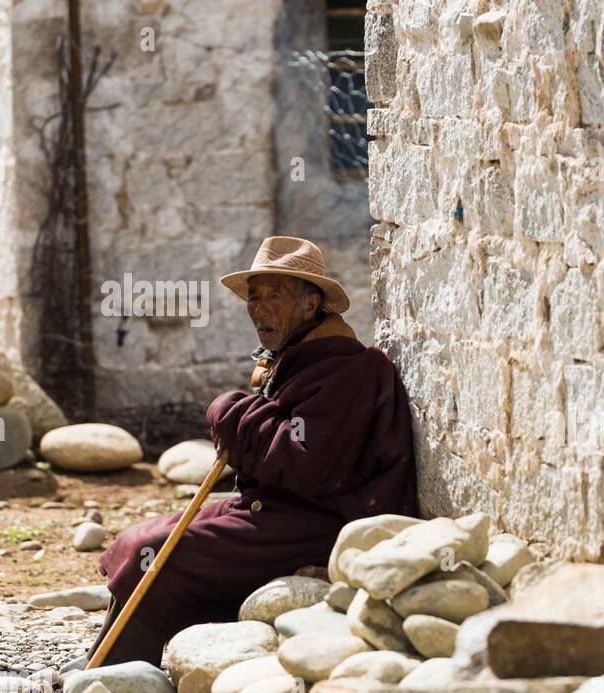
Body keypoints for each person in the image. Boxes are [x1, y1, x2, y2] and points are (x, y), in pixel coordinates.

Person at [86, 236, 419, 667]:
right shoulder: (296, 360)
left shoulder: (348, 369)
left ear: (310, 304)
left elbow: (300, 460)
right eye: (254, 297)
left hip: (316, 525)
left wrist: (229, 410)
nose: (259, 309)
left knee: (163, 554)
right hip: (274, 512)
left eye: (274, 296)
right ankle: (99, 672)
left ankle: (111, 678)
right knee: (147, 540)